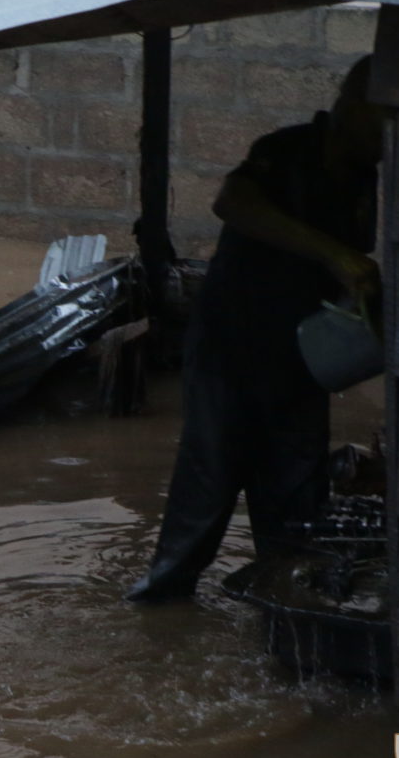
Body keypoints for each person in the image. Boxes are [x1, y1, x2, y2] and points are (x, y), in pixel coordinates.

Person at [127, 57, 384, 603]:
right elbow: (231, 202)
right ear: (351, 109)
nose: (390, 138)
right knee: (209, 484)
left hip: (301, 356)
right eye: (384, 121)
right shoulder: (287, 150)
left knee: (297, 496)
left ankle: (284, 608)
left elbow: (358, 253)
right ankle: (159, 607)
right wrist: (332, 254)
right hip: (231, 345)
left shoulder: (368, 176)